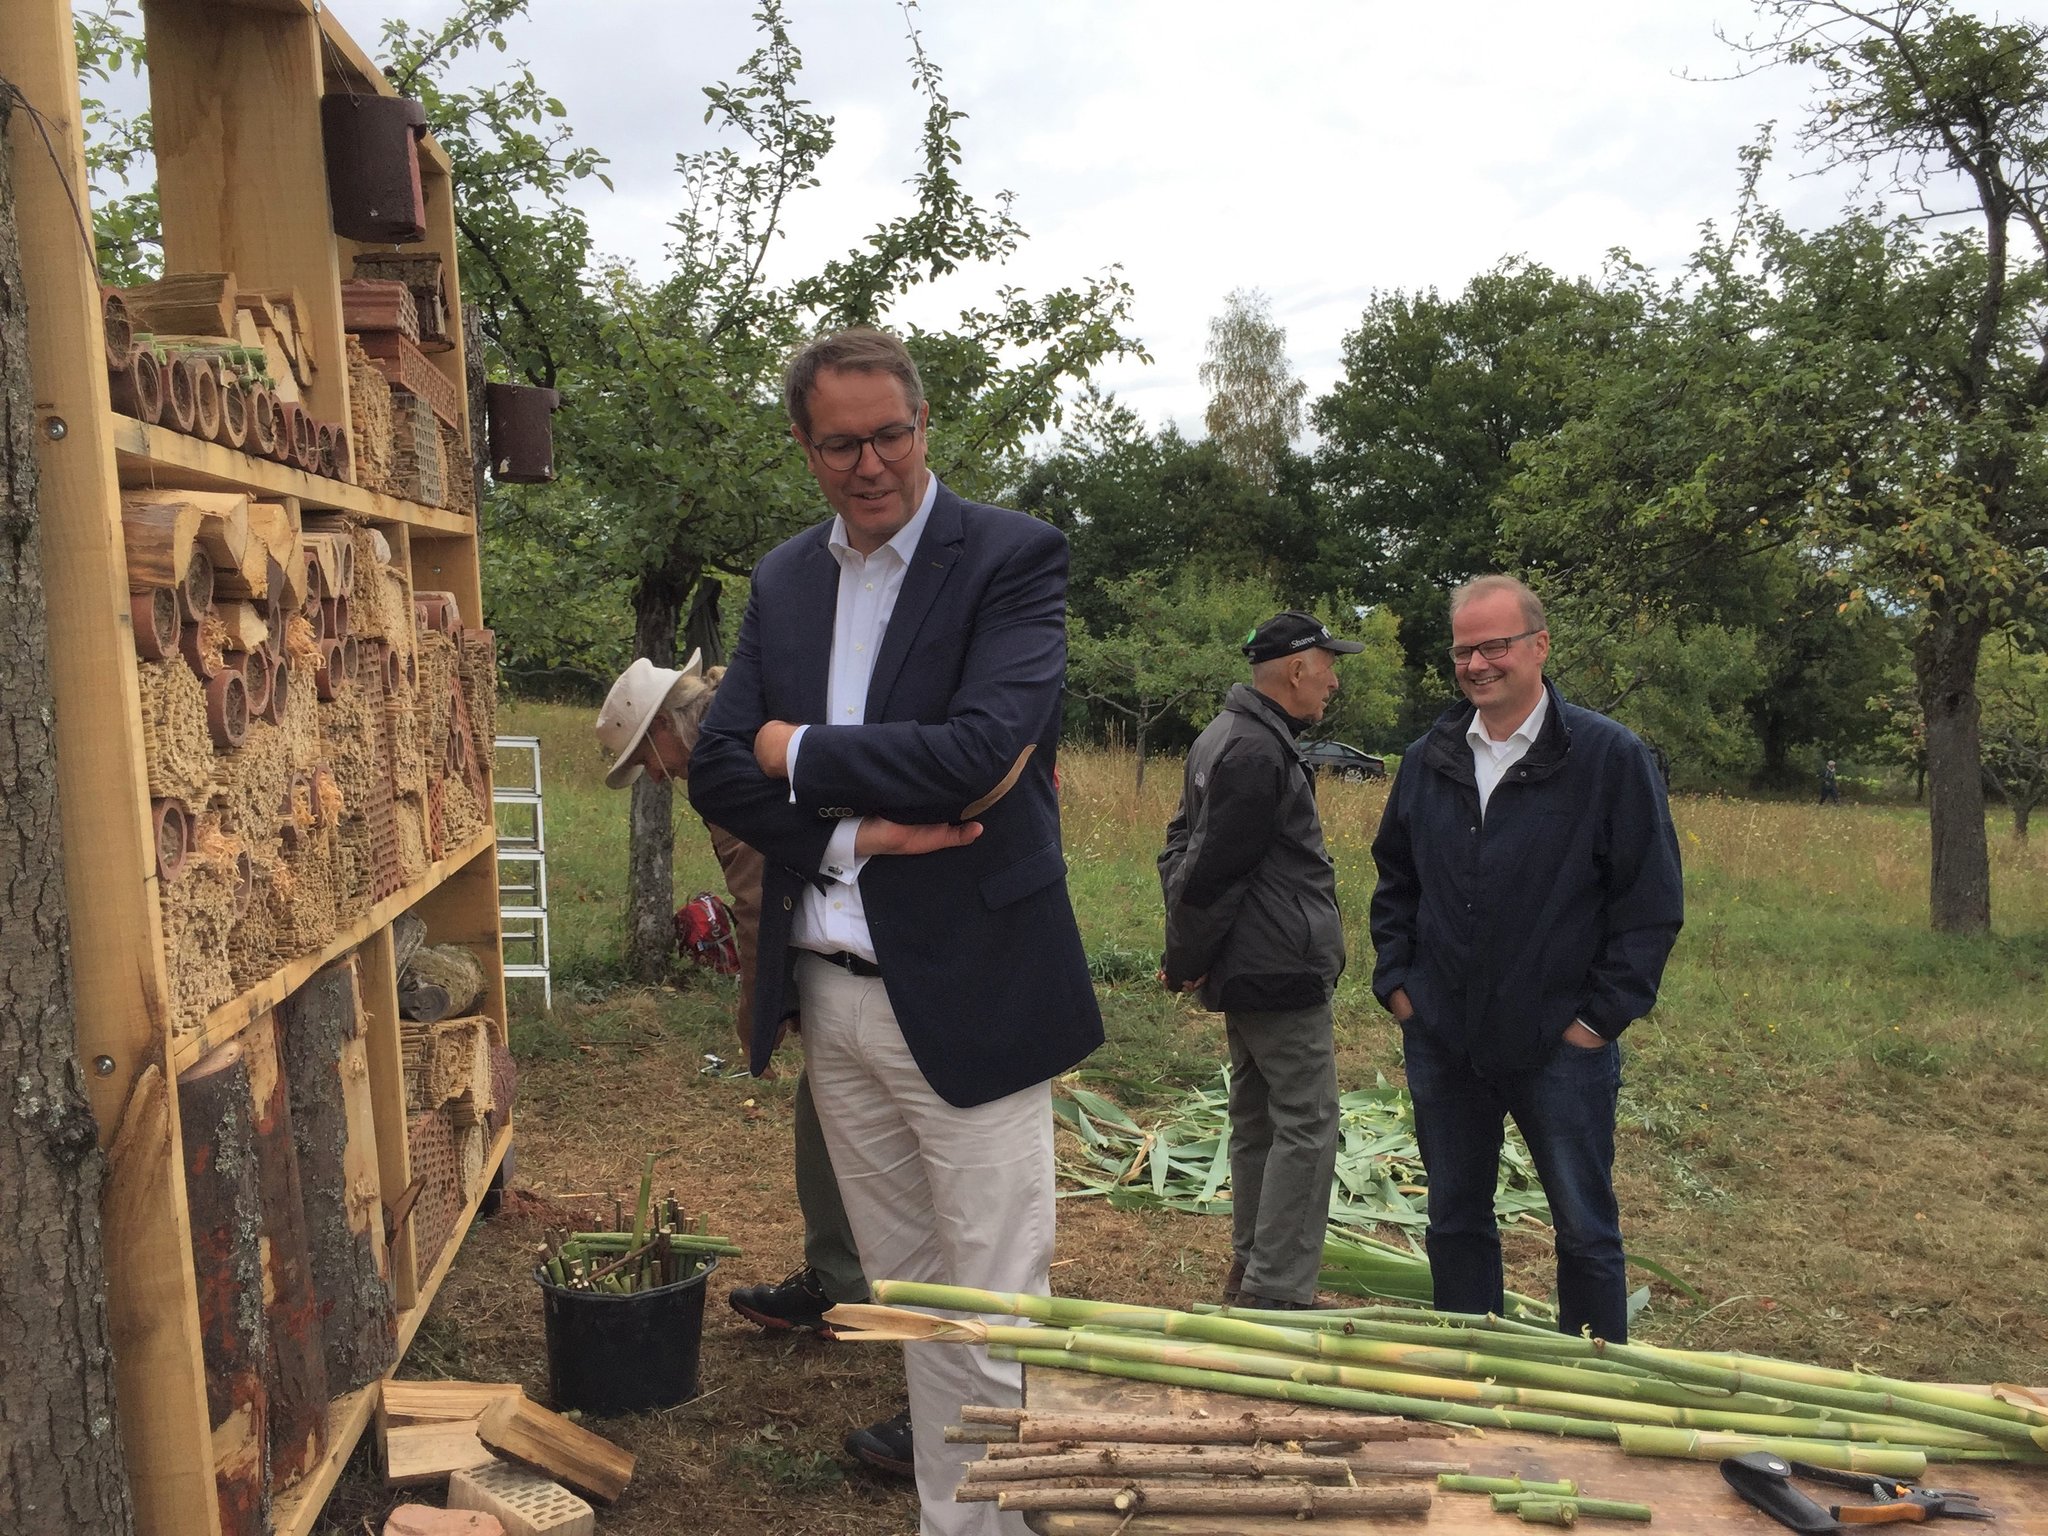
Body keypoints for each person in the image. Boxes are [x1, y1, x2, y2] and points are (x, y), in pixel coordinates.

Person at [687, 327, 1103, 1536]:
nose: (869, 463)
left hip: (970, 986)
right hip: (832, 986)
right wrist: (851, 835)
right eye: (839, 443)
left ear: (923, 426)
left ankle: (993, 1525)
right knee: (911, 1297)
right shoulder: (785, 580)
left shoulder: (1011, 559)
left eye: (890, 434)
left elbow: (981, 749)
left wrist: (795, 750)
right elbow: (717, 766)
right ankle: (956, 1519)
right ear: (805, 448)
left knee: (990, 1300)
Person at [593, 654, 912, 1479]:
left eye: (646, 761)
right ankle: (838, 1280)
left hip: (888, 953)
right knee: (829, 1117)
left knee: (895, 1143)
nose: (653, 777)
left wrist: (759, 1020)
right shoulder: (762, 706)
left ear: (668, 731)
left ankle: (922, 1336)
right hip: (857, 949)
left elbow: (754, 890)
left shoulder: (722, 766)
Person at [1369, 575, 1682, 1343]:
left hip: (1559, 1048)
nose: (1478, 664)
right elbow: (1395, 882)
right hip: (1445, 1040)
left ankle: (1590, 1393)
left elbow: (1649, 906)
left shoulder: (1608, 758)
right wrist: (1400, 989)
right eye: (1463, 650)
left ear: (1540, 647)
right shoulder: (1430, 758)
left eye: (1495, 646)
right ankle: (1474, 1387)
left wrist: (1596, 1022)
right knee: (1456, 1223)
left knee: (1585, 1232)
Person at [1158, 612, 1360, 1311]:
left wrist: (1189, 953)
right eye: (1329, 664)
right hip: (1277, 968)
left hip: (1249, 964)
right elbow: (1211, 870)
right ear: (1297, 668)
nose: (1334, 680)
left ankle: (1253, 1272)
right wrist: (1184, 956)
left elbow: (1179, 848)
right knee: (1307, 1122)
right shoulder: (1255, 750)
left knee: (1261, 1121)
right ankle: (1277, 1293)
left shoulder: (1227, 735)